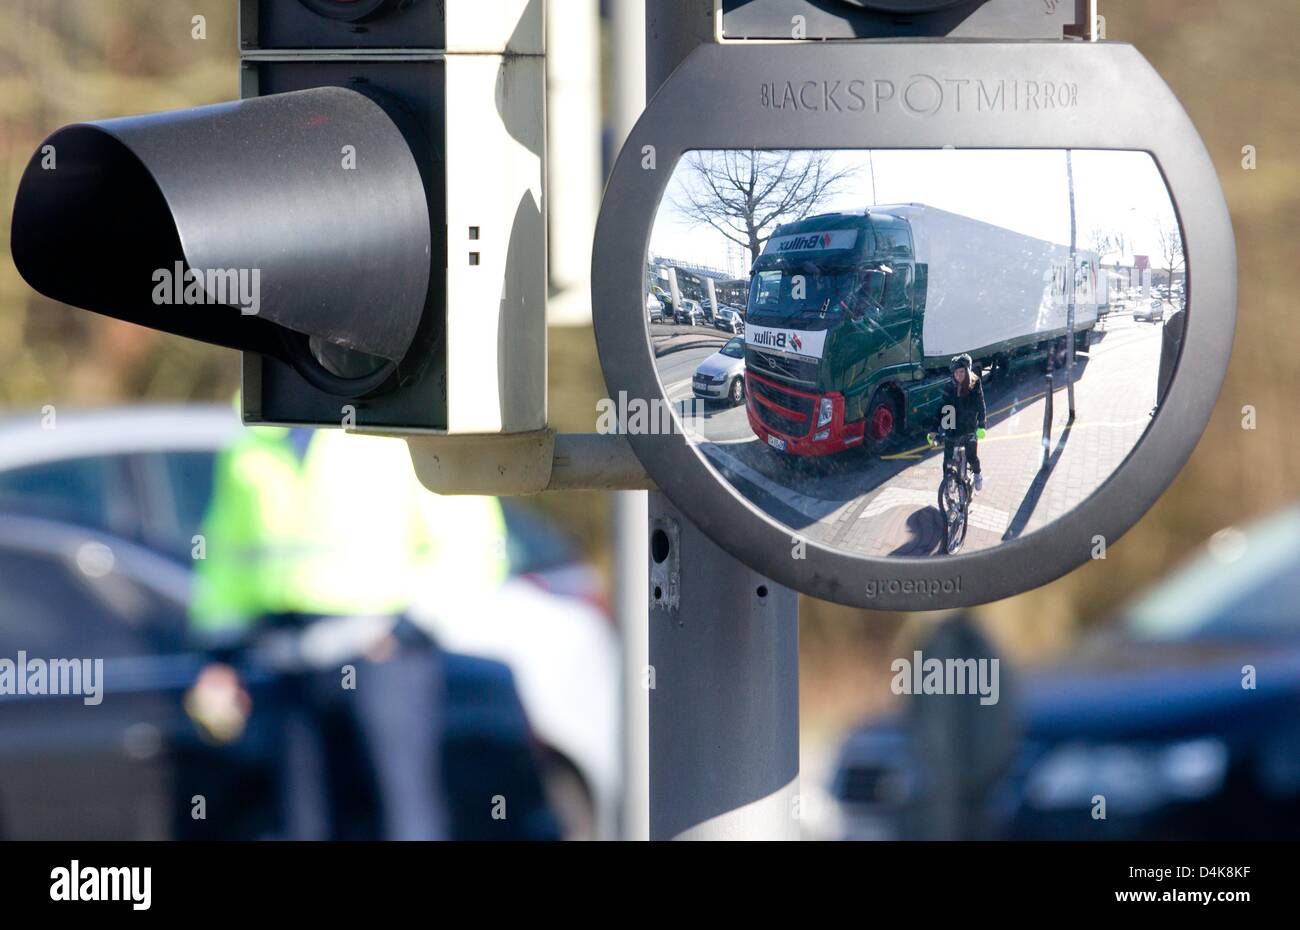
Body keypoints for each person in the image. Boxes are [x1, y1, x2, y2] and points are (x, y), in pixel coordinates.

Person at [187, 414, 508, 840]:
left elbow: (474, 542)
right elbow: (225, 553)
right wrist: (220, 654)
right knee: (303, 824)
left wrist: (407, 629)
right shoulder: (255, 421)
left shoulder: (400, 410)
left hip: (384, 659)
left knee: (402, 818)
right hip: (291, 662)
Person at [927, 354, 987, 492]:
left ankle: (977, 474)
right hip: (952, 424)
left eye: (961, 372)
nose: (958, 375)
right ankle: (947, 481)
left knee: (972, 457)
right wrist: (933, 429)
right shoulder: (950, 386)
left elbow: (980, 404)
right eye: (956, 372)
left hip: (969, 425)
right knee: (947, 460)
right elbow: (942, 408)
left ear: (967, 371)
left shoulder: (975, 383)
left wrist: (982, 425)